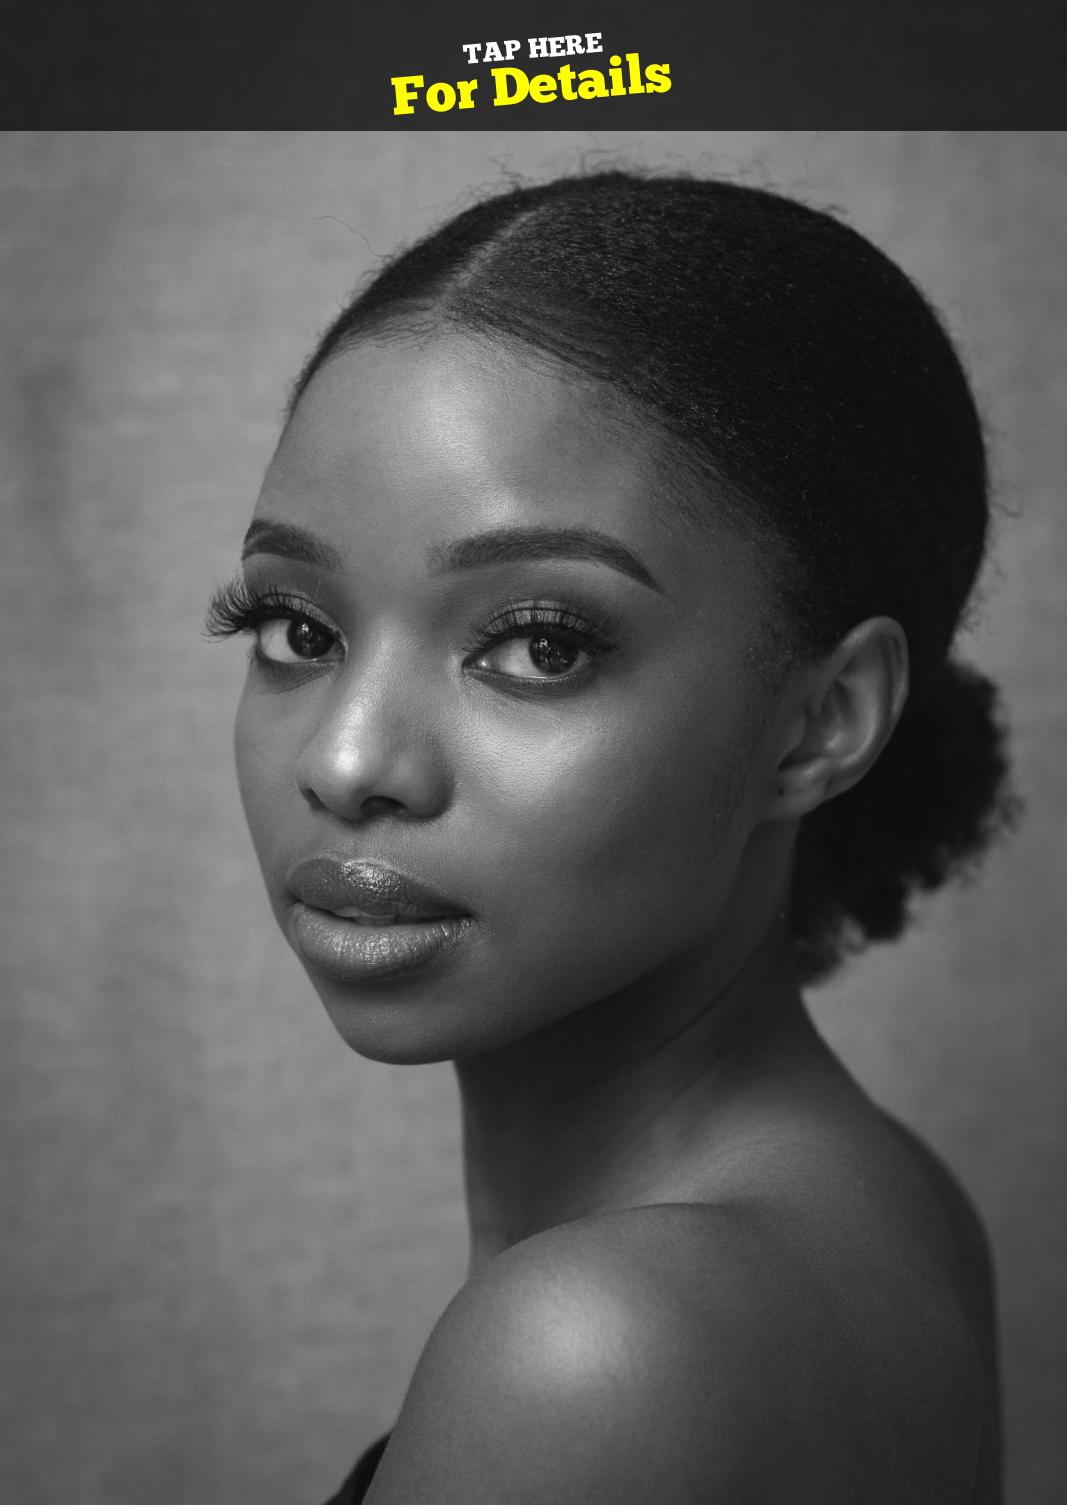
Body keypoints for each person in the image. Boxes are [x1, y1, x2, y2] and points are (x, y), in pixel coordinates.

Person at [203, 169, 1016, 1503]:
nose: (349, 762)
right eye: (300, 627)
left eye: (541, 642)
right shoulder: (890, 1199)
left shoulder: (591, 1347)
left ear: (821, 721)